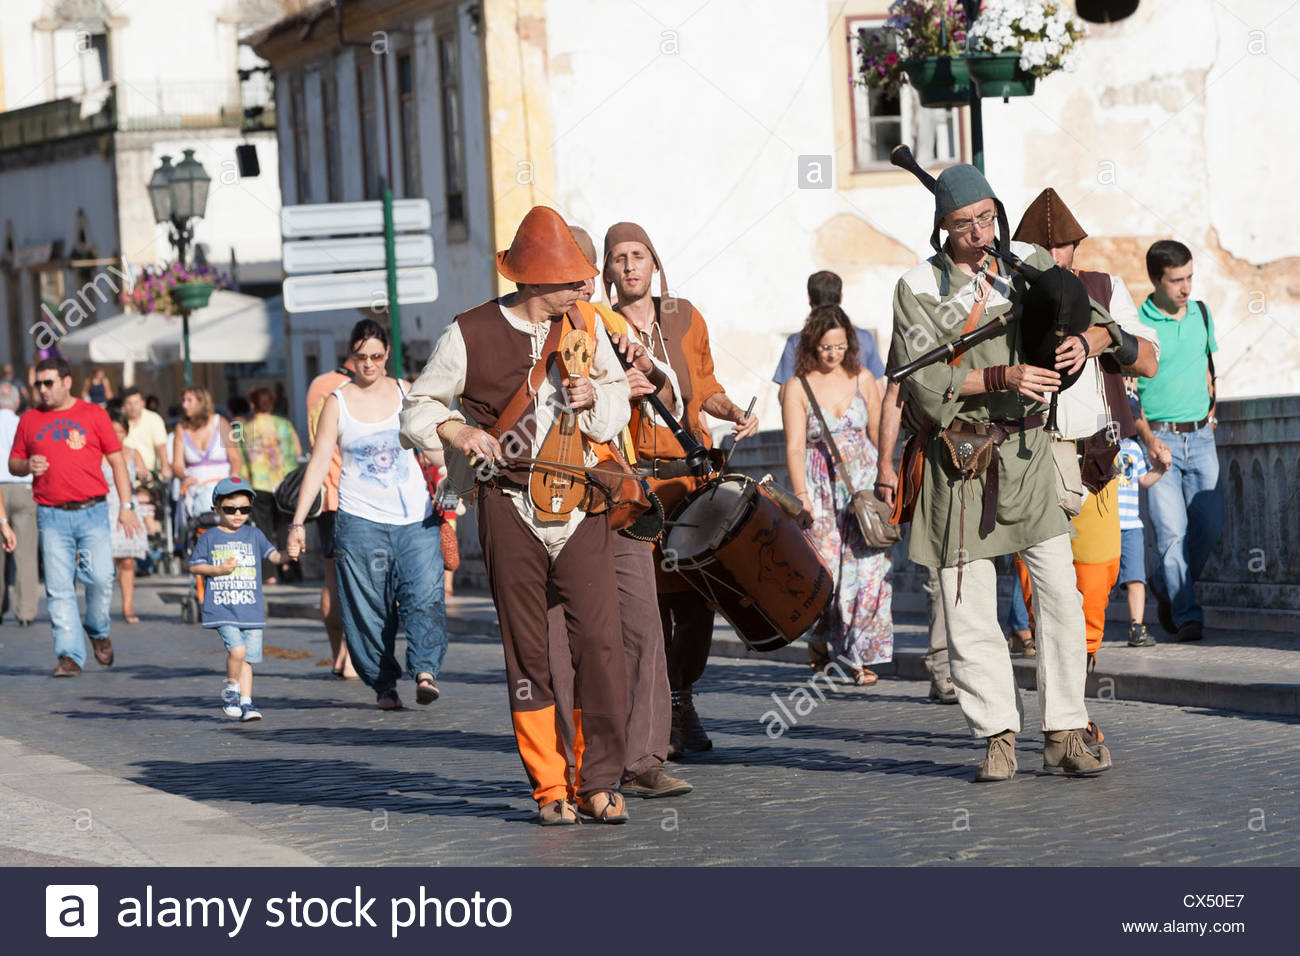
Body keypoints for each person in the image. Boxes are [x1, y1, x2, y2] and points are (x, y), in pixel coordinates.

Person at [401, 205, 632, 825]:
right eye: (570, 280)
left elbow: (617, 397)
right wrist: (457, 429)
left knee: (602, 644)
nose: (584, 288)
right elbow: (417, 407)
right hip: (508, 502)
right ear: (533, 282)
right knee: (527, 651)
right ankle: (551, 787)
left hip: (582, 500)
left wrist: (596, 396)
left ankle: (600, 778)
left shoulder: (585, 325)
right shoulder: (469, 332)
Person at [887, 163, 1117, 781]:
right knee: (969, 609)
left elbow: (1104, 323)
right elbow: (926, 386)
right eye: (963, 225)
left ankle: (1065, 728)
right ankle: (996, 734)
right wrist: (1000, 376)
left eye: (987, 218)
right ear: (943, 228)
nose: (979, 233)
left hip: (1028, 457)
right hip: (961, 464)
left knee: (1062, 599)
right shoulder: (917, 288)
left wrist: (1081, 344)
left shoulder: (1027, 267)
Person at [544, 225, 692, 799]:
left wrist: (645, 375)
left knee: (642, 626)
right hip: (553, 502)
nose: (579, 281)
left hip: (617, 493)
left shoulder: (610, 326)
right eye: (569, 270)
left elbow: (671, 394)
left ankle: (644, 758)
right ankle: (569, 765)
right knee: (563, 639)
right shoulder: (518, 329)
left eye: (584, 270)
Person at [603, 220, 758, 758]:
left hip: (689, 484)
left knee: (695, 606)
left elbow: (706, 387)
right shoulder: (598, 327)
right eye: (619, 257)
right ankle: (661, 715)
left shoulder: (684, 317)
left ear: (655, 262)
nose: (629, 265)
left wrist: (734, 411)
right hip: (634, 489)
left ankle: (681, 699)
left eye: (638, 255)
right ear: (607, 271)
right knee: (646, 606)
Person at [1010, 187, 1160, 673]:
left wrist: (1097, 337)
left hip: (1096, 449)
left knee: (1100, 568)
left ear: (1076, 246)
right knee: (1040, 573)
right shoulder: (1007, 295)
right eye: (1043, 249)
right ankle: (1062, 663)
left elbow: (1150, 361)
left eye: (1063, 246)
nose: (1055, 257)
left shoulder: (1105, 287)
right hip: (1032, 450)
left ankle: (1086, 653)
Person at [288, 319, 448, 711]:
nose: (370, 364)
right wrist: (297, 522)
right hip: (360, 522)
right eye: (361, 357)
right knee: (369, 609)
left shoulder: (406, 393)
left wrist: (453, 475)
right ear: (351, 357)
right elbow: (320, 461)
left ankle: (425, 671)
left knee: (426, 594)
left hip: (416, 518)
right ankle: (384, 684)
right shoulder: (337, 402)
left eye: (376, 356)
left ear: (388, 354)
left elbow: (430, 448)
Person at [8, 357, 142, 676]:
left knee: (99, 577)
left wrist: (126, 506)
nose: (42, 389)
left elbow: (117, 460)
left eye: (49, 383)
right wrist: (28, 466)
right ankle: (69, 655)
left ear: (67, 382)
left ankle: (97, 629)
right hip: (51, 515)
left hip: (92, 511)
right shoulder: (29, 419)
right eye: (39, 383)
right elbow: (13, 463)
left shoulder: (93, 414)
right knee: (58, 587)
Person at [782, 304, 891, 684]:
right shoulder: (798, 386)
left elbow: (878, 433)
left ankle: (856, 656)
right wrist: (801, 497)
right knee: (828, 570)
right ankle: (821, 637)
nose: (834, 354)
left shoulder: (863, 378)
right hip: (820, 486)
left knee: (868, 571)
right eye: (827, 347)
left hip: (861, 488)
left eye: (841, 346)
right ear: (813, 344)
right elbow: (794, 446)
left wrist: (886, 480)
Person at [1136, 239, 1222, 643]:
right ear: (1156, 280)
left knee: (1208, 526)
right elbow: (1129, 393)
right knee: (1171, 532)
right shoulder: (1139, 323)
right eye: (1176, 281)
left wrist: (1211, 409)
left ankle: (1162, 581)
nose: (1186, 288)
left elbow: (1207, 367)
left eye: (1189, 277)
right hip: (1161, 445)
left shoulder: (1202, 313)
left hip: (1202, 437)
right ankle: (1187, 615)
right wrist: (1149, 440)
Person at [189, 475, 282, 721]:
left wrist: (288, 555)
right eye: (230, 509)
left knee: (248, 660)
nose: (238, 514)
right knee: (238, 650)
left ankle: (247, 703)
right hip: (223, 607)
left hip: (251, 609)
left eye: (244, 509)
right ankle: (232, 691)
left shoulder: (254, 534)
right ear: (217, 509)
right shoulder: (209, 537)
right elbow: (195, 566)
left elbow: (274, 557)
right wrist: (216, 570)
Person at [306, 359, 358, 679]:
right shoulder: (348, 390)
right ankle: (351, 657)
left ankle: (336, 652)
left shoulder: (316, 386)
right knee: (355, 582)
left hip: (324, 494)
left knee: (330, 579)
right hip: (350, 491)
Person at [772, 271, 886, 404]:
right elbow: (879, 393)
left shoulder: (796, 341)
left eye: (840, 347)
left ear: (809, 297)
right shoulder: (864, 338)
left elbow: (786, 397)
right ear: (841, 297)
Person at [1116, 391, 1168, 647]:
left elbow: (1143, 480)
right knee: (1100, 578)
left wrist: (1159, 469)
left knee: (1136, 577)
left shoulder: (1134, 449)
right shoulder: (1100, 446)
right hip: (1106, 527)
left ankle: (1137, 627)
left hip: (1131, 526)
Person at [243, 387, 303, 585]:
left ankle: (268, 574)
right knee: (286, 527)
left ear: (253, 404)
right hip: (284, 483)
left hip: (259, 484)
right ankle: (291, 568)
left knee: (263, 531)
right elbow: (297, 451)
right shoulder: (284, 424)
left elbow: (242, 460)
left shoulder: (245, 428)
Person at [172, 386, 243, 526]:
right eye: (183, 400)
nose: (184, 404)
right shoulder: (181, 428)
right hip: (195, 489)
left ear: (201, 402)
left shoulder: (220, 422)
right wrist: (184, 477)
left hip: (223, 487)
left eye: (189, 400)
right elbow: (177, 464)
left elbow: (235, 457)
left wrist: (234, 475)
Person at [103, 412, 149, 623]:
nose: (116, 435)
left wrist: (144, 474)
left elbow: (145, 476)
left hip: (127, 507)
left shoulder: (132, 453)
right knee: (104, 562)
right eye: (112, 431)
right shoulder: (98, 454)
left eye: (120, 431)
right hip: (104, 508)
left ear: (126, 433)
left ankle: (127, 608)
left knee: (127, 561)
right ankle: (101, 608)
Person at [0, 381, 38, 625]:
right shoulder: (23, 423)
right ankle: (25, 612)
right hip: (24, 486)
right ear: (16, 402)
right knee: (25, 552)